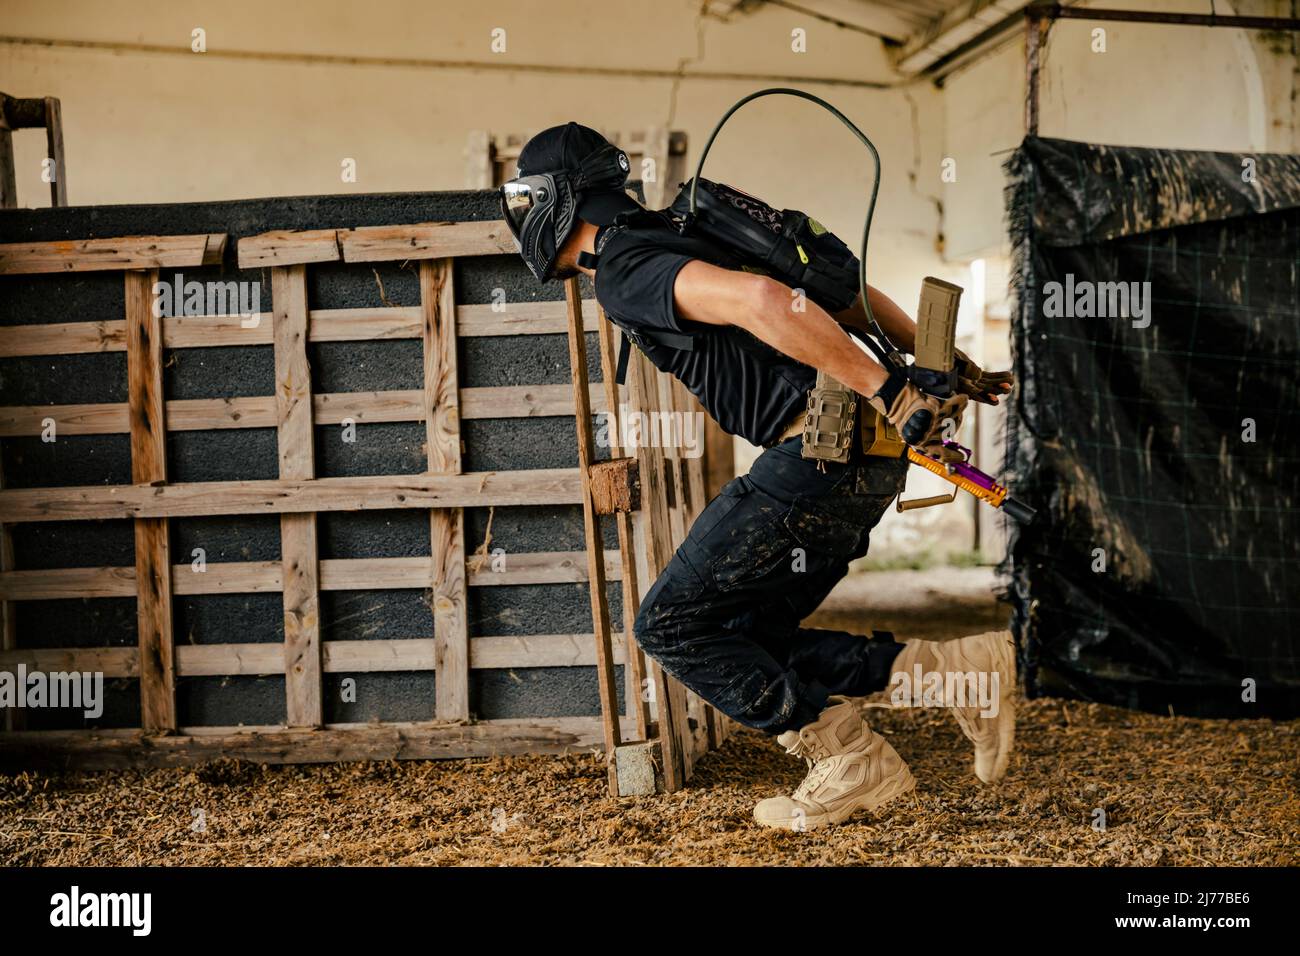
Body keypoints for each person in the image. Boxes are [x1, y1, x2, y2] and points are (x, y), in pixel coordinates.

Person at [500, 122, 1017, 829]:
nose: (521, 217)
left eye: (526, 200)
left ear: (560, 200)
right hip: (861, 461)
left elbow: (768, 305)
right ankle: (956, 673)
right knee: (748, 634)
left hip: (816, 455)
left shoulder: (623, 266)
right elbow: (846, 296)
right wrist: (940, 366)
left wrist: (888, 390)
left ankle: (848, 757)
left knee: (672, 624)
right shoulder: (684, 233)